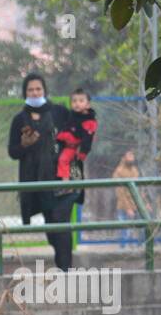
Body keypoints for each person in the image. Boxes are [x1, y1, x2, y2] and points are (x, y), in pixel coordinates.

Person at [8, 72, 74, 270]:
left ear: (45, 90)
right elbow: (13, 152)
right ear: (24, 93)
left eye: (38, 89)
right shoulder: (20, 120)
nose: (35, 93)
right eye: (30, 89)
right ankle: (61, 263)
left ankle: (65, 271)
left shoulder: (60, 113)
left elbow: (75, 140)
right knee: (51, 229)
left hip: (62, 180)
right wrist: (25, 144)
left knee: (61, 225)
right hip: (37, 182)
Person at [55, 88, 97, 203]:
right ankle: (68, 185)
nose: (77, 103)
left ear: (87, 104)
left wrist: (82, 152)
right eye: (74, 101)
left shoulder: (89, 121)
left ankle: (71, 187)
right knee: (65, 161)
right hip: (68, 146)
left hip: (77, 148)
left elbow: (87, 139)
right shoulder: (71, 116)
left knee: (72, 164)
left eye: (81, 101)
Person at [111, 150, 141, 246]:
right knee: (124, 229)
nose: (132, 158)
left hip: (136, 204)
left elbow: (139, 189)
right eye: (129, 155)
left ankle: (136, 246)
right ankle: (123, 249)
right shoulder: (119, 171)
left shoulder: (135, 170)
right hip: (123, 206)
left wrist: (145, 203)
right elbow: (120, 192)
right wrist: (127, 207)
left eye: (133, 155)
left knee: (136, 228)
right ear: (124, 157)